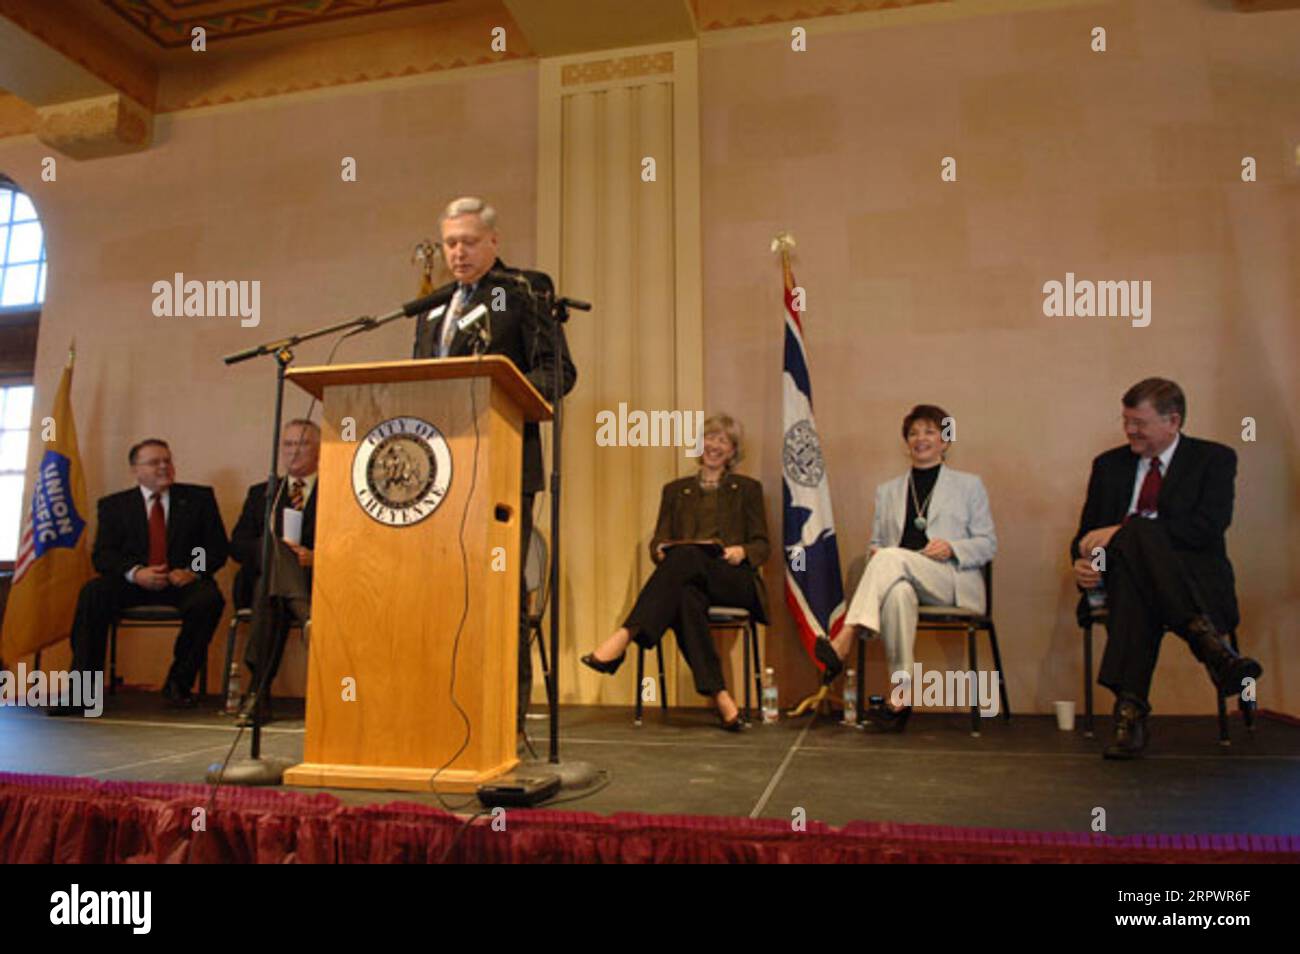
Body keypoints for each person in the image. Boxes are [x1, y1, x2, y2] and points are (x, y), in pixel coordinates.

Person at [411, 196, 577, 733]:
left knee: (498, 591)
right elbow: (415, 382)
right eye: (449, 242)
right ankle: (437, 707)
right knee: (439, 589)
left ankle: (504, 719)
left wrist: (514, 399)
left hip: (501, 461)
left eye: (468, 242)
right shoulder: (432, 306)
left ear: (493, 242)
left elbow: (560, 371)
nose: (457, 252)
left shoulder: (524, 290)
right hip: (435, 470)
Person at [1070, 377, 1261, 759]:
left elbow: (1207, 527)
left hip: (1196, 579)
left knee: (1137, 552)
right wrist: (1086, 565)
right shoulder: (1109, 465)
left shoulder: (1214, 459)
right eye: (1126, 421)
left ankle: (1130, 712)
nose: (1129, 431)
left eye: (1138, 423)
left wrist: (1127, 532)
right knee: (1133, 558)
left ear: (1173, 421)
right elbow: (1085, 539)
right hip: (1123, 575)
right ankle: (1209, 646)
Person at [581, 414, 769, 731]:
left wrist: (742, 551)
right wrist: (658, 550)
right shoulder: (675, 490)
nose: (714, 445)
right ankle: (722, 696)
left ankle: (624, 636)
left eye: (722, 440)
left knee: (686, 557)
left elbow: (763, 545)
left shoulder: (748, 489)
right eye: (710, 438)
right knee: (684, 596)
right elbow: (659, 539)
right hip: (689, 578)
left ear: (732, 450)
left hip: (732, 579)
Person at [821, 404, 996, 732]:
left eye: (929, 432)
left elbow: (988, 544)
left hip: (950, 581)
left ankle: (846, 635)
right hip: (903, 578)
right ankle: (900, 695)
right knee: (897, 591)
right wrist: (876, 552)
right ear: (906, 443)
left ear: (945, 441)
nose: (920, 439)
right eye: (914, 433)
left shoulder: (969, 486)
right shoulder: (887, 491)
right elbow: (878, 541)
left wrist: (953, 547)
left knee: (891, 558)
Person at [54, 439, 228, 714]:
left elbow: (215, 547)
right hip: (133, 583)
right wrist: (136, 573)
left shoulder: (198, 499)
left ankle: (178, 685)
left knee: (209, 599)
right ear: (135, 470)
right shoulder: (114, 505)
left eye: (167, 460)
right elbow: (103, 555)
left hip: (179, 581)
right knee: (93, 593)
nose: (164, 467)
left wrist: (193, 569)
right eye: (154, 462)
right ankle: (83, 692)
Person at [228, 419, 320, 725]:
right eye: (289, 444)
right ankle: (306, 615)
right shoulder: (262, 492)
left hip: (314, 581)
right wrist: (274, 552)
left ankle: (257, 695)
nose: (294, 451)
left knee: (270, 597)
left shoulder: (338, 491)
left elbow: (353, 544)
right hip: (264, 580)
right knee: (272, 560)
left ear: (320, 449)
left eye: (303, 444)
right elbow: (238, 546)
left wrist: (316, 557)